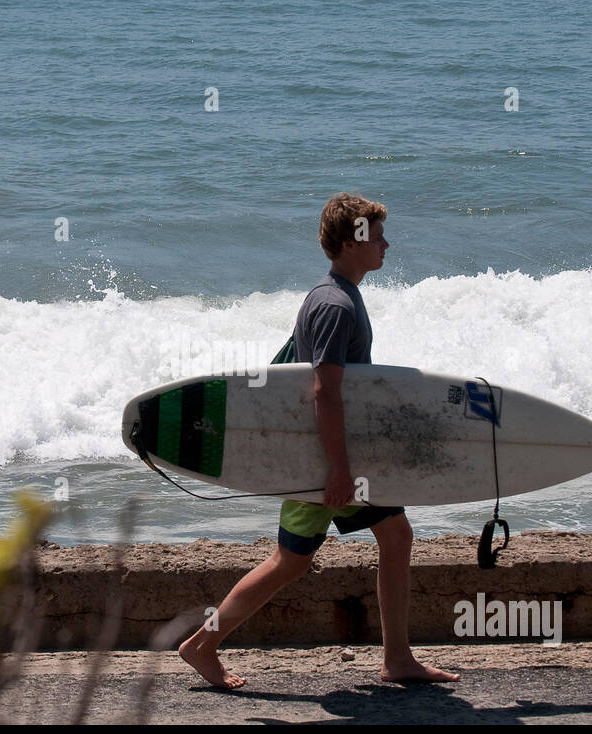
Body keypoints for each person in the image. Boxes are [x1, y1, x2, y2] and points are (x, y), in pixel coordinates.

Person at [179, 192, 461, 688]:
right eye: (376, 236)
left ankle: (398, 658)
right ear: (353, 242)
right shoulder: (334, 305)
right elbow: (323, 393)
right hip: (324, 462)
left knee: (395, 535)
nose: (386, 244)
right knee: (290, 561)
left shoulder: (333, 294)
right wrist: (336, 470)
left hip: (340, 458)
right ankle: (202, 645)